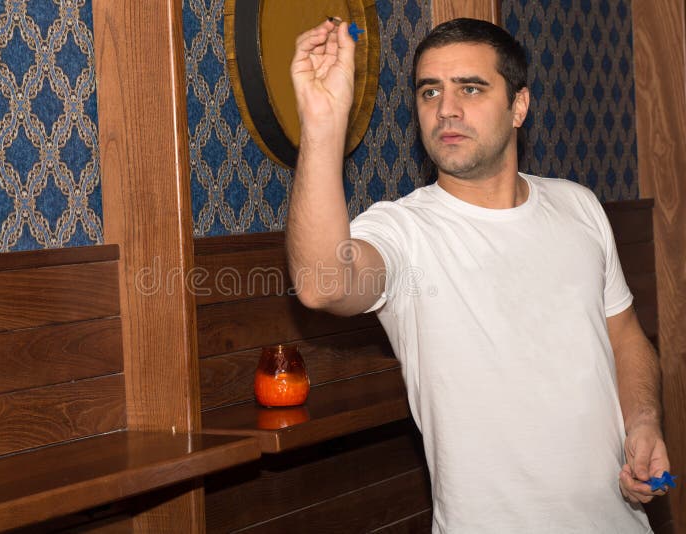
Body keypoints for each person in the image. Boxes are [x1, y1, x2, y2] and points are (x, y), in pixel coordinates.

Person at [287, 17, 670, 533]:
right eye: (430, 91)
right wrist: (322, 123)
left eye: (470, 87)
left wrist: (643, 423)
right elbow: (322, 285)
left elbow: (623, 335)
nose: (447, 108)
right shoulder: (404, 231)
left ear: (519, 106)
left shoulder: (578, 206)